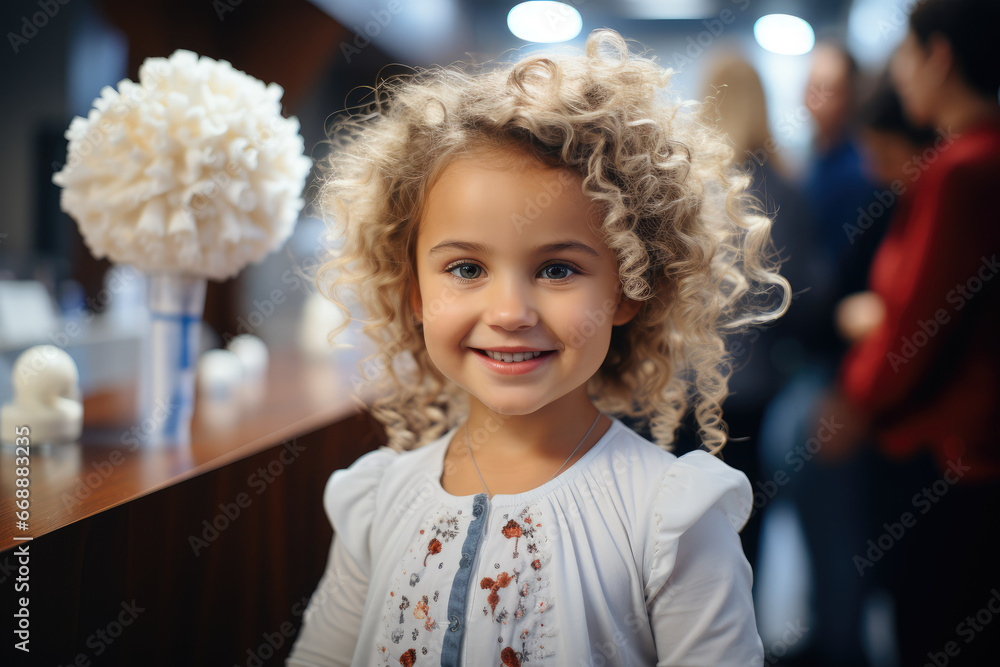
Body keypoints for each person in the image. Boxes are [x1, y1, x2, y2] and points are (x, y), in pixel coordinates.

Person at [287, 28, 788, 667]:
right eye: (466, 269)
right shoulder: (375, 501)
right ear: (413, 291)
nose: (509, 314)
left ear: (629, 288)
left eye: (557, 269)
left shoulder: (672, 520)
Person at [814, 0, 1000, 663]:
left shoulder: (961, 167)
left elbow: (915, 329)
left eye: (908, 55)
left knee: (929, 626)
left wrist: (851, 399)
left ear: (939, 57)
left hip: (947, 446)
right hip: (954, 440)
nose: (901, 73)